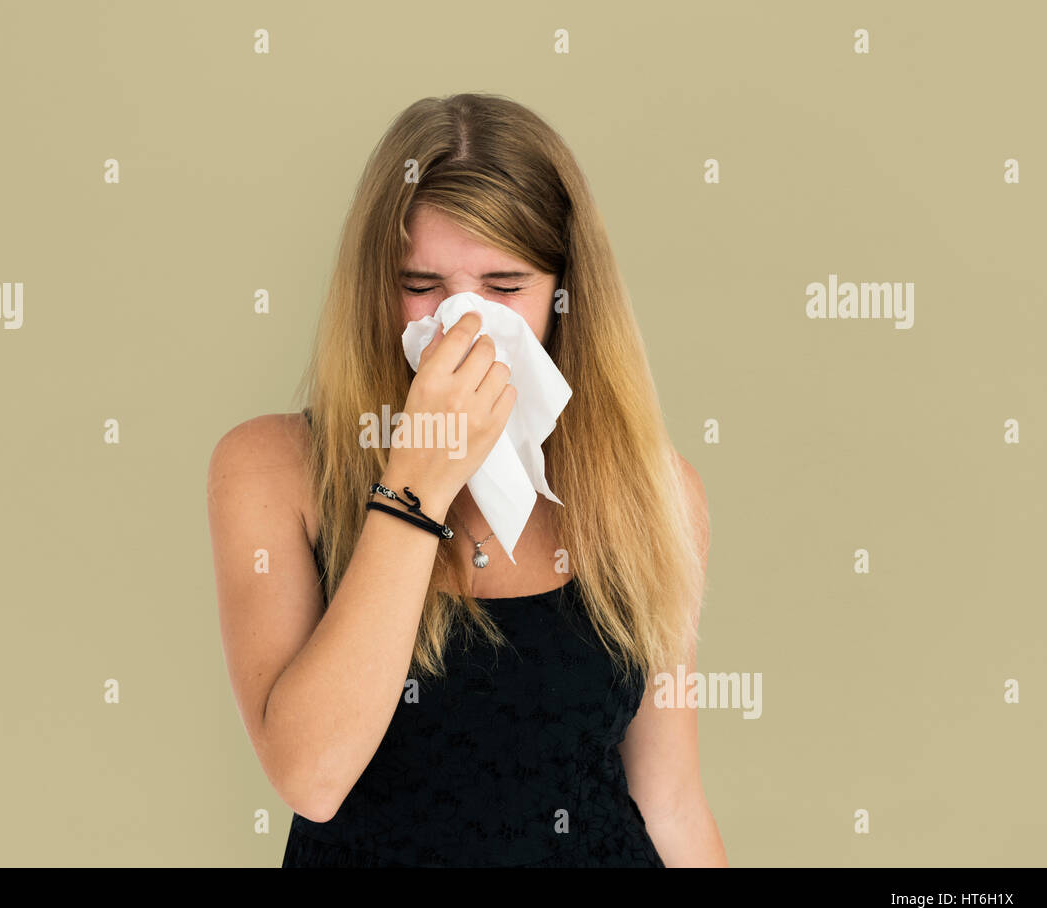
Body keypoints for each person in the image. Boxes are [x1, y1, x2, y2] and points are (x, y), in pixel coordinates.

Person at [207, 92, 726, 866]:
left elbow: (672, 801)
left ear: (564, 294)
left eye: (505, 286)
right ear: (375, 287)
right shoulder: (271, 471)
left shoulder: (654, 494)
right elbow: (311, 776)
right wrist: (419, 482)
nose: (465, 324)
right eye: (423, 285)